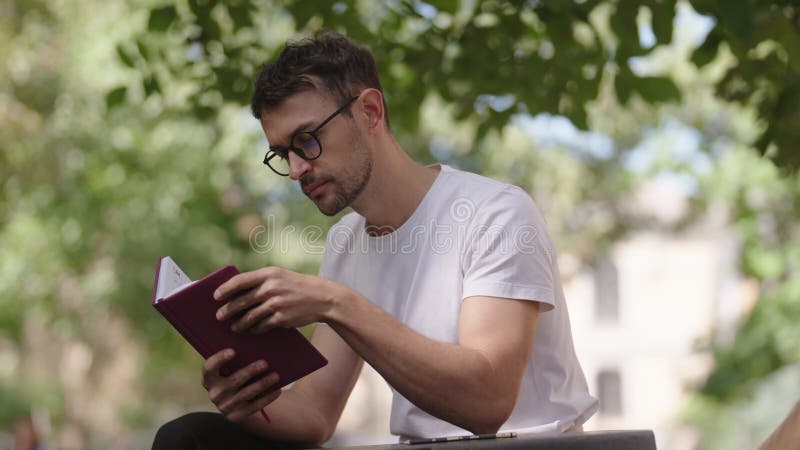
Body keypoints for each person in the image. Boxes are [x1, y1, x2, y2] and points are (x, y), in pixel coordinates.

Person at [152, 31, 597, 450]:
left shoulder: (495, 213)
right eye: (282, 152)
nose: (295, 170)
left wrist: (335, 303)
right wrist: (246, 400)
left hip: (525, 445)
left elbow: (487, 405)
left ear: (369, 112)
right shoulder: (347, 241)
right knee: (190, 437)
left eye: (307, 141)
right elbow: (316, 415)